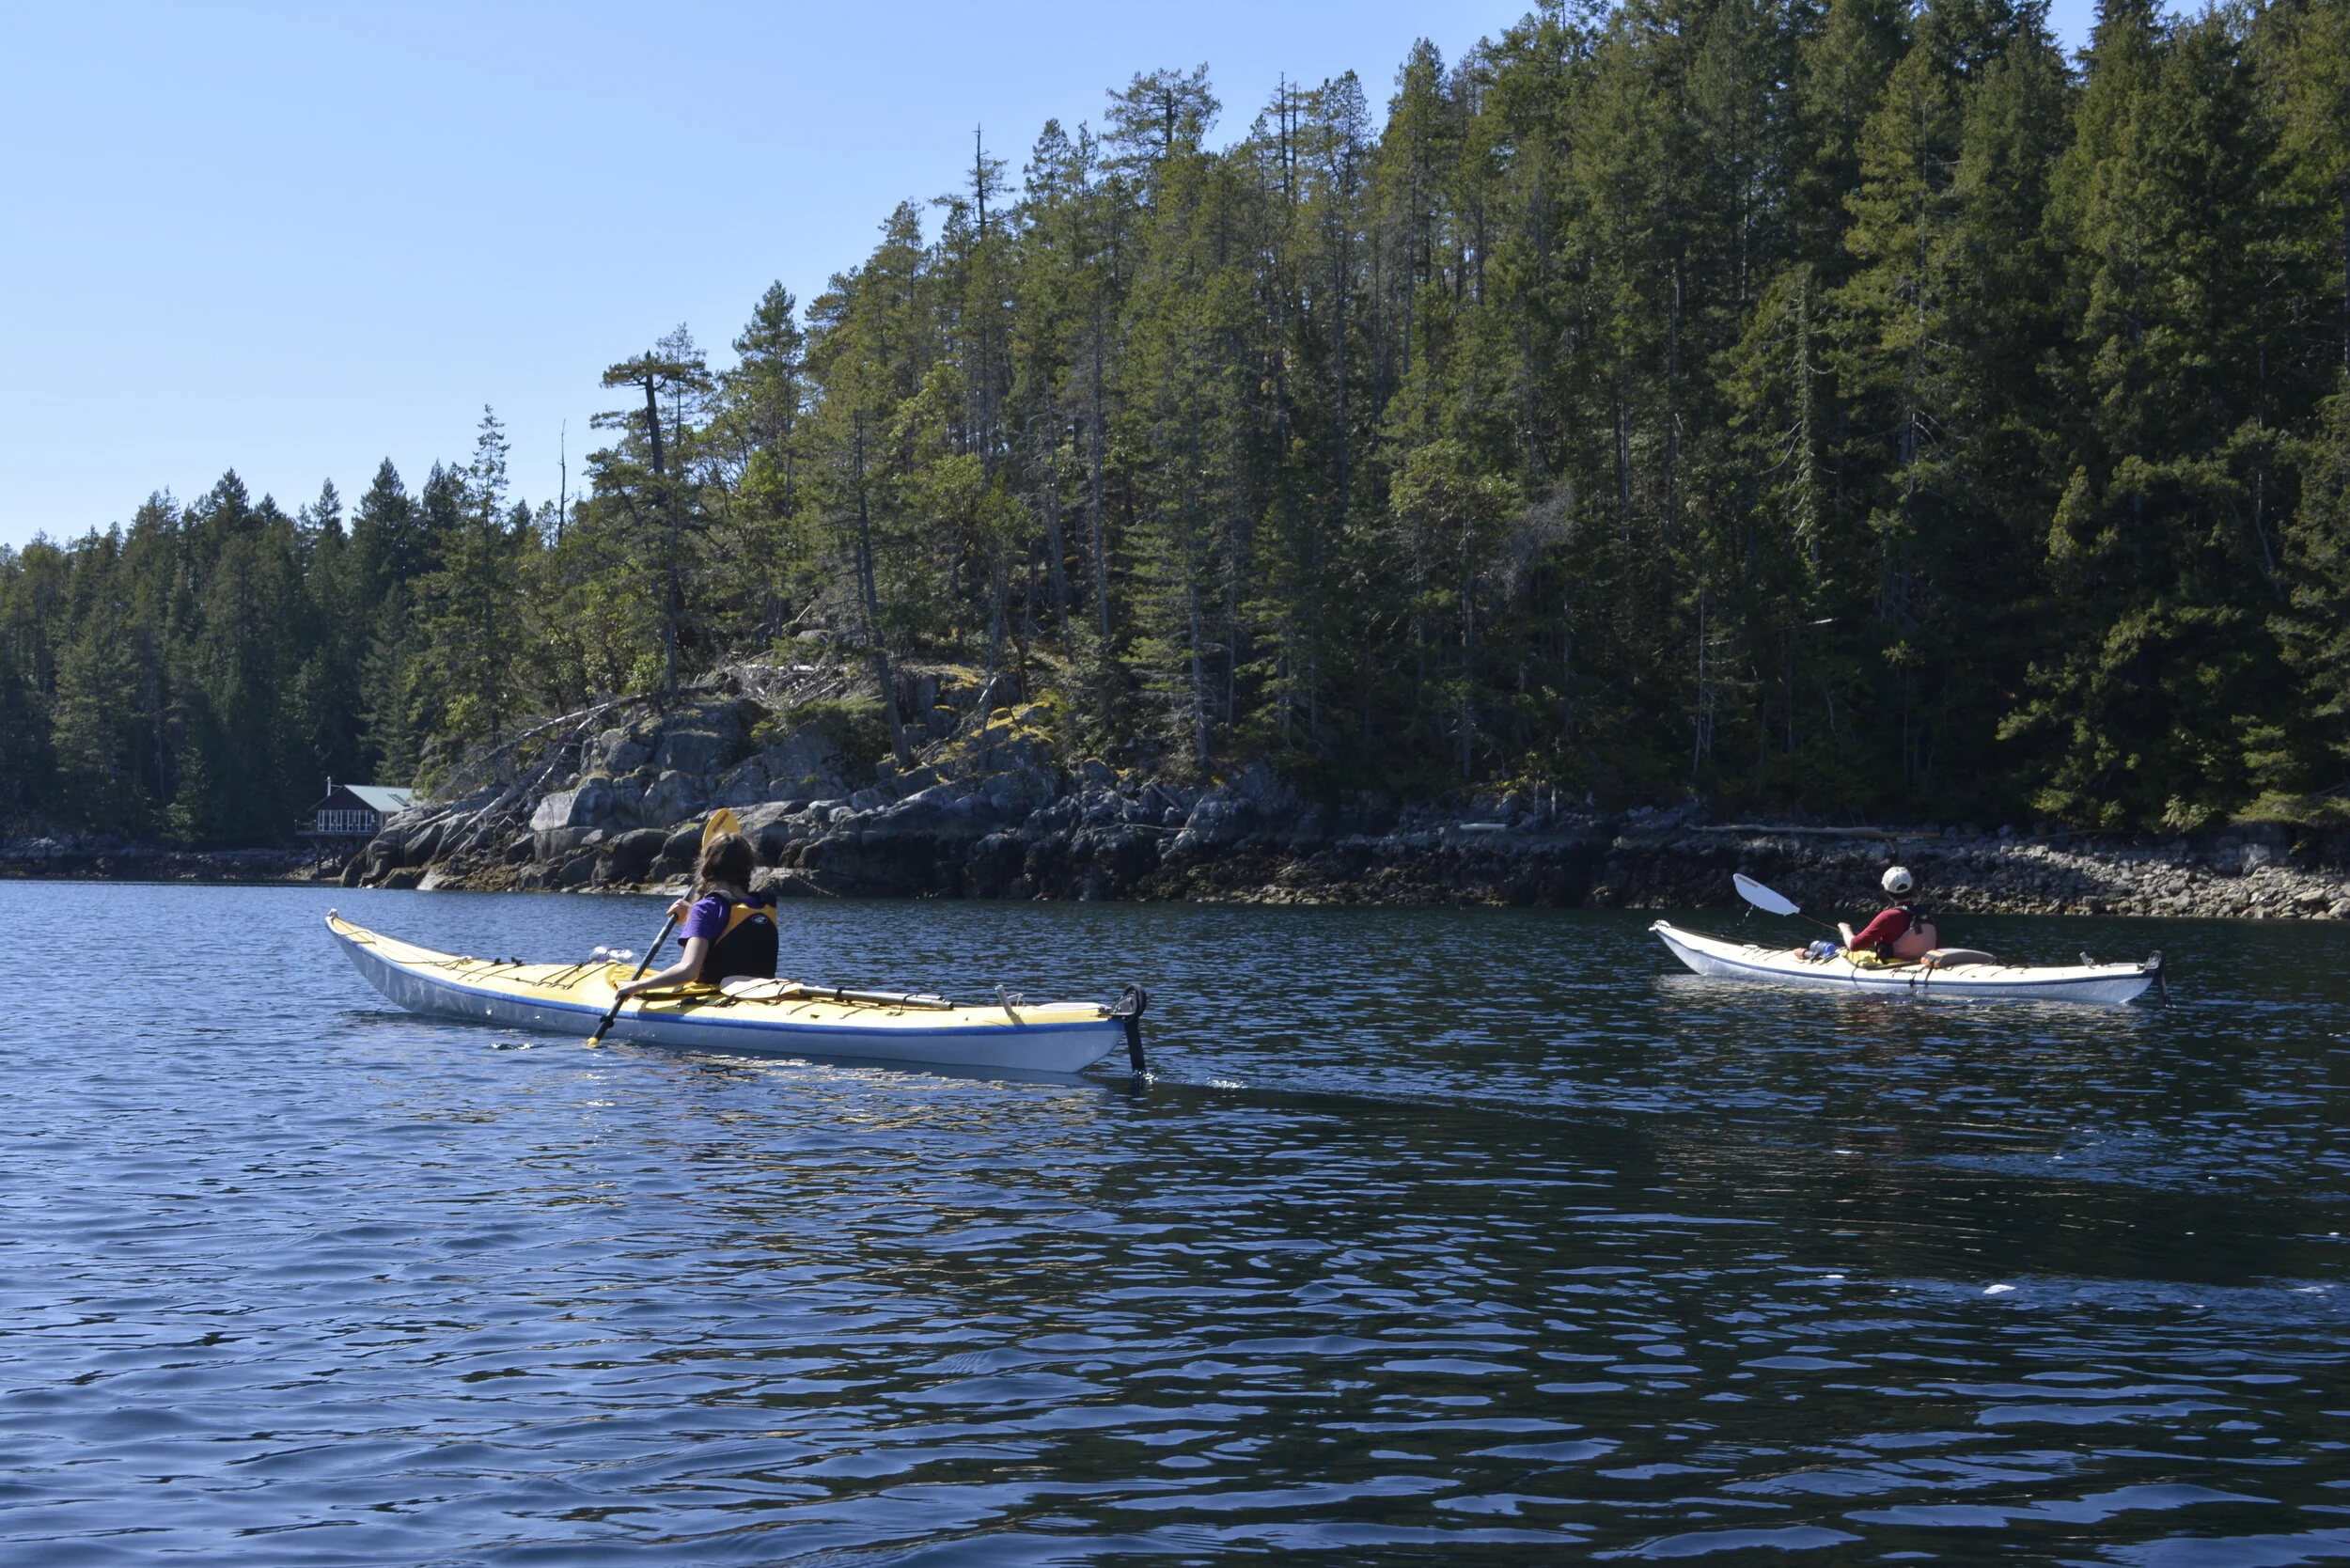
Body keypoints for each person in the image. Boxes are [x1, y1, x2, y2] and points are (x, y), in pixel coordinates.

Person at [614, 832, 777, 1000]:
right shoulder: (765, 905)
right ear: (748, 866)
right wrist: (693, 915)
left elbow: (689, 972)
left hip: (717, 997)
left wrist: (637, 986)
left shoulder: (706, 909)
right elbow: (734, 928)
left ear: (709, 865)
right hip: (762, 995)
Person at [1836, 866, 1939, 962]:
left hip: (1895, 966)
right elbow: (1937, 946)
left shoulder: (1887, 917)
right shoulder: (1925, 915)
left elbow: (1854, 945)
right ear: (1912, 888)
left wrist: (1845, 929)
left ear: (1887, 892)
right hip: (1923, 965)